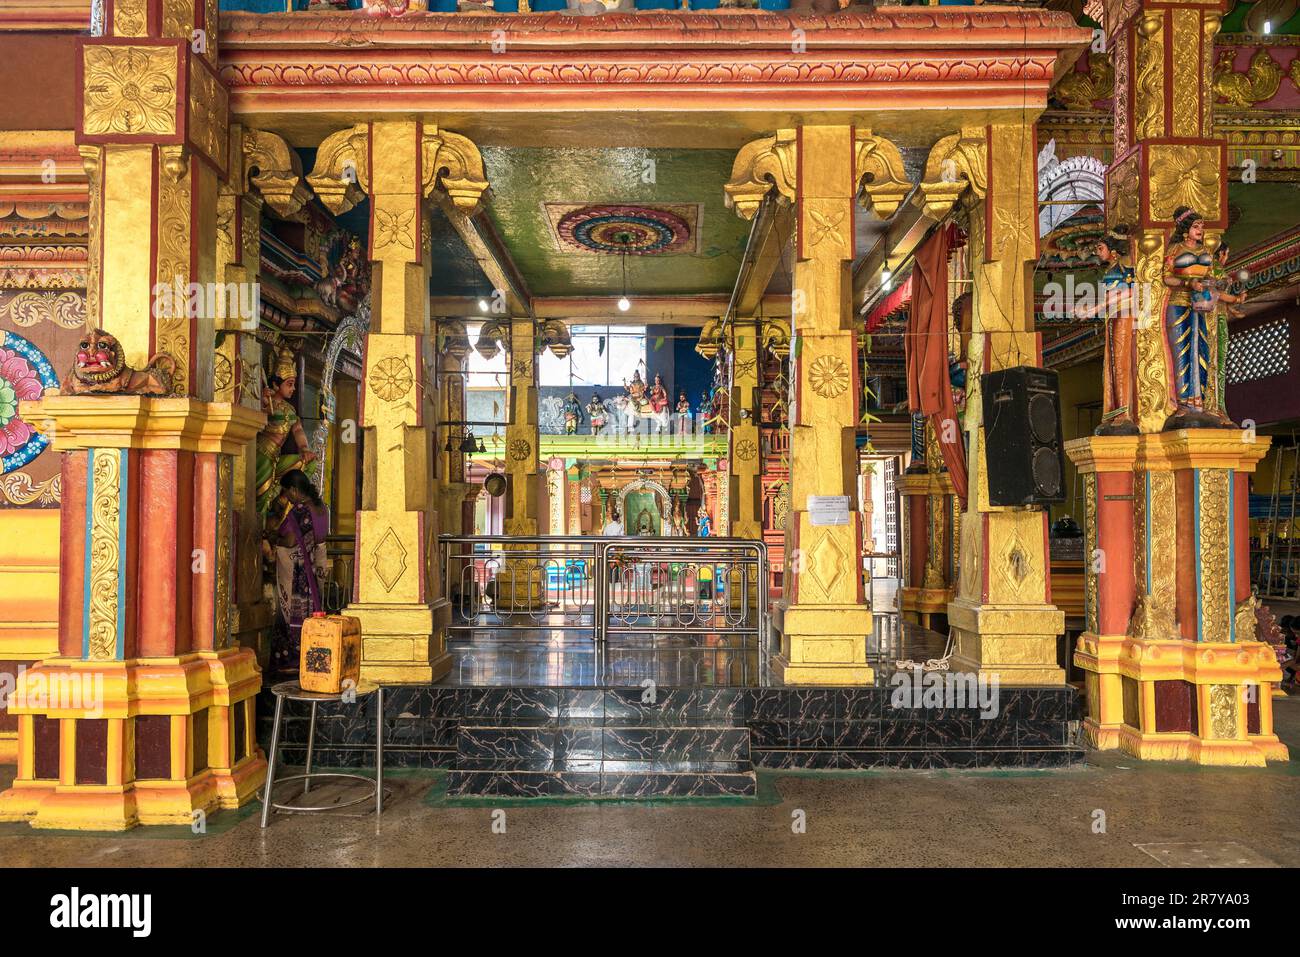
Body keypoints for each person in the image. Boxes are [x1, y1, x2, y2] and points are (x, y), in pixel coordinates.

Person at [266, 470, 330, 676]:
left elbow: (291, 541)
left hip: (297, 572)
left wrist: (274, 538)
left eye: (287, 492)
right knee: (313, 612)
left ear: (294, 490)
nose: (288, 498)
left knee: (291, 614)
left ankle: (291, 660)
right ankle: (312, 657)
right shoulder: (321, 508)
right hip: (313, 566)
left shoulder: (300, 511)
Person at [256, 344, 316, 516]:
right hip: (263, 453)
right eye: (289, 384)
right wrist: (262, 402)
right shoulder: (268, 403)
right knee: (260, 494)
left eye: (294, 384)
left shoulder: (290, 410)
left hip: (277, 456)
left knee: (310, 462)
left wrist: (305, 449)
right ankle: (257, 526)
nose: (293, 389)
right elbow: (256, 416)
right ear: (276, 384)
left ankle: (284, 498)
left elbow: (297, 431)